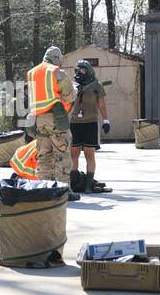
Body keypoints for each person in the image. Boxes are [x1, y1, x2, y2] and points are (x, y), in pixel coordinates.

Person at [26, 45, 79, 200]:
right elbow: (69, 96)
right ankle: (63, 192)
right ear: (57, 59)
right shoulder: (56, 72)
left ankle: (43, 189)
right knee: (61, 153)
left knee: (44, 155)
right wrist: (75, 89)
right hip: (55, 118)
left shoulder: (31, 73)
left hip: (37, 120)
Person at [69, 59, 110, 191]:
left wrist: (106, 120)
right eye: (77, 70)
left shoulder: (96, 85)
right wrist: (62, 118)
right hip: (75, 123)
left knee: (89, 154)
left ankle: (89, 183)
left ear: (88, 71)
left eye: (81, 70)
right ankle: (74, 181)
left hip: (90, 123)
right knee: (73, 154)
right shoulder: (73, 85)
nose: (78, 73)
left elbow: (101, 104)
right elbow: (69, 104)